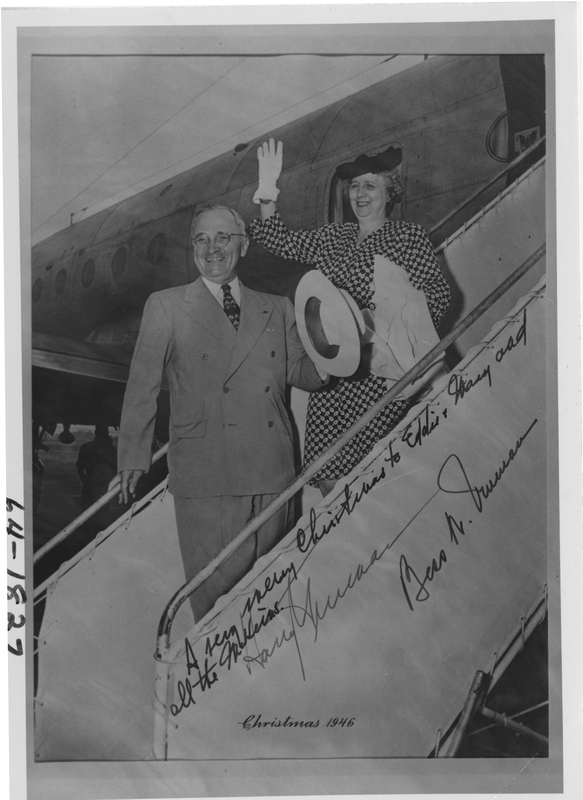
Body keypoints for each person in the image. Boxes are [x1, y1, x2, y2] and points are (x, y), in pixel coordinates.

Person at [113, 205, 326, 621]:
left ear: (243, 245)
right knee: (216, 608)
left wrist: (335, 354)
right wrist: (132, 458)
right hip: (208, 474)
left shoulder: (277, 306)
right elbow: (142, 387)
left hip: (273, 469)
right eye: (201, 239)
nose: (212, 249)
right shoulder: (167, 306)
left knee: (272, 600)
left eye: (223, 238)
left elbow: (299, 370)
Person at [248, 139, 451, 496]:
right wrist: (268, 190)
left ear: (390, 193)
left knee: (372, 478)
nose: (359, 194)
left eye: (370, 185)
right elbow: (280, 242)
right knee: (328, 475)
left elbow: (437, 295)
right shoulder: (334, 237)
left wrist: (383, 325)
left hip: (379, 375)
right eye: (354, 186)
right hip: (334, 375)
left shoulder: (407, 237)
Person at [76, 424, 117, 509]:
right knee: (88, 511)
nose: (103, 434)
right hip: (91, 485)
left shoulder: (111, 449)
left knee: (103, 511)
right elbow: (80, 468)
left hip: (104, 486)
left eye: (105, 432)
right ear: (96, 432)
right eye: (101, 432)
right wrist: (85, 482)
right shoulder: (87, 447)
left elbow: (115, 468)